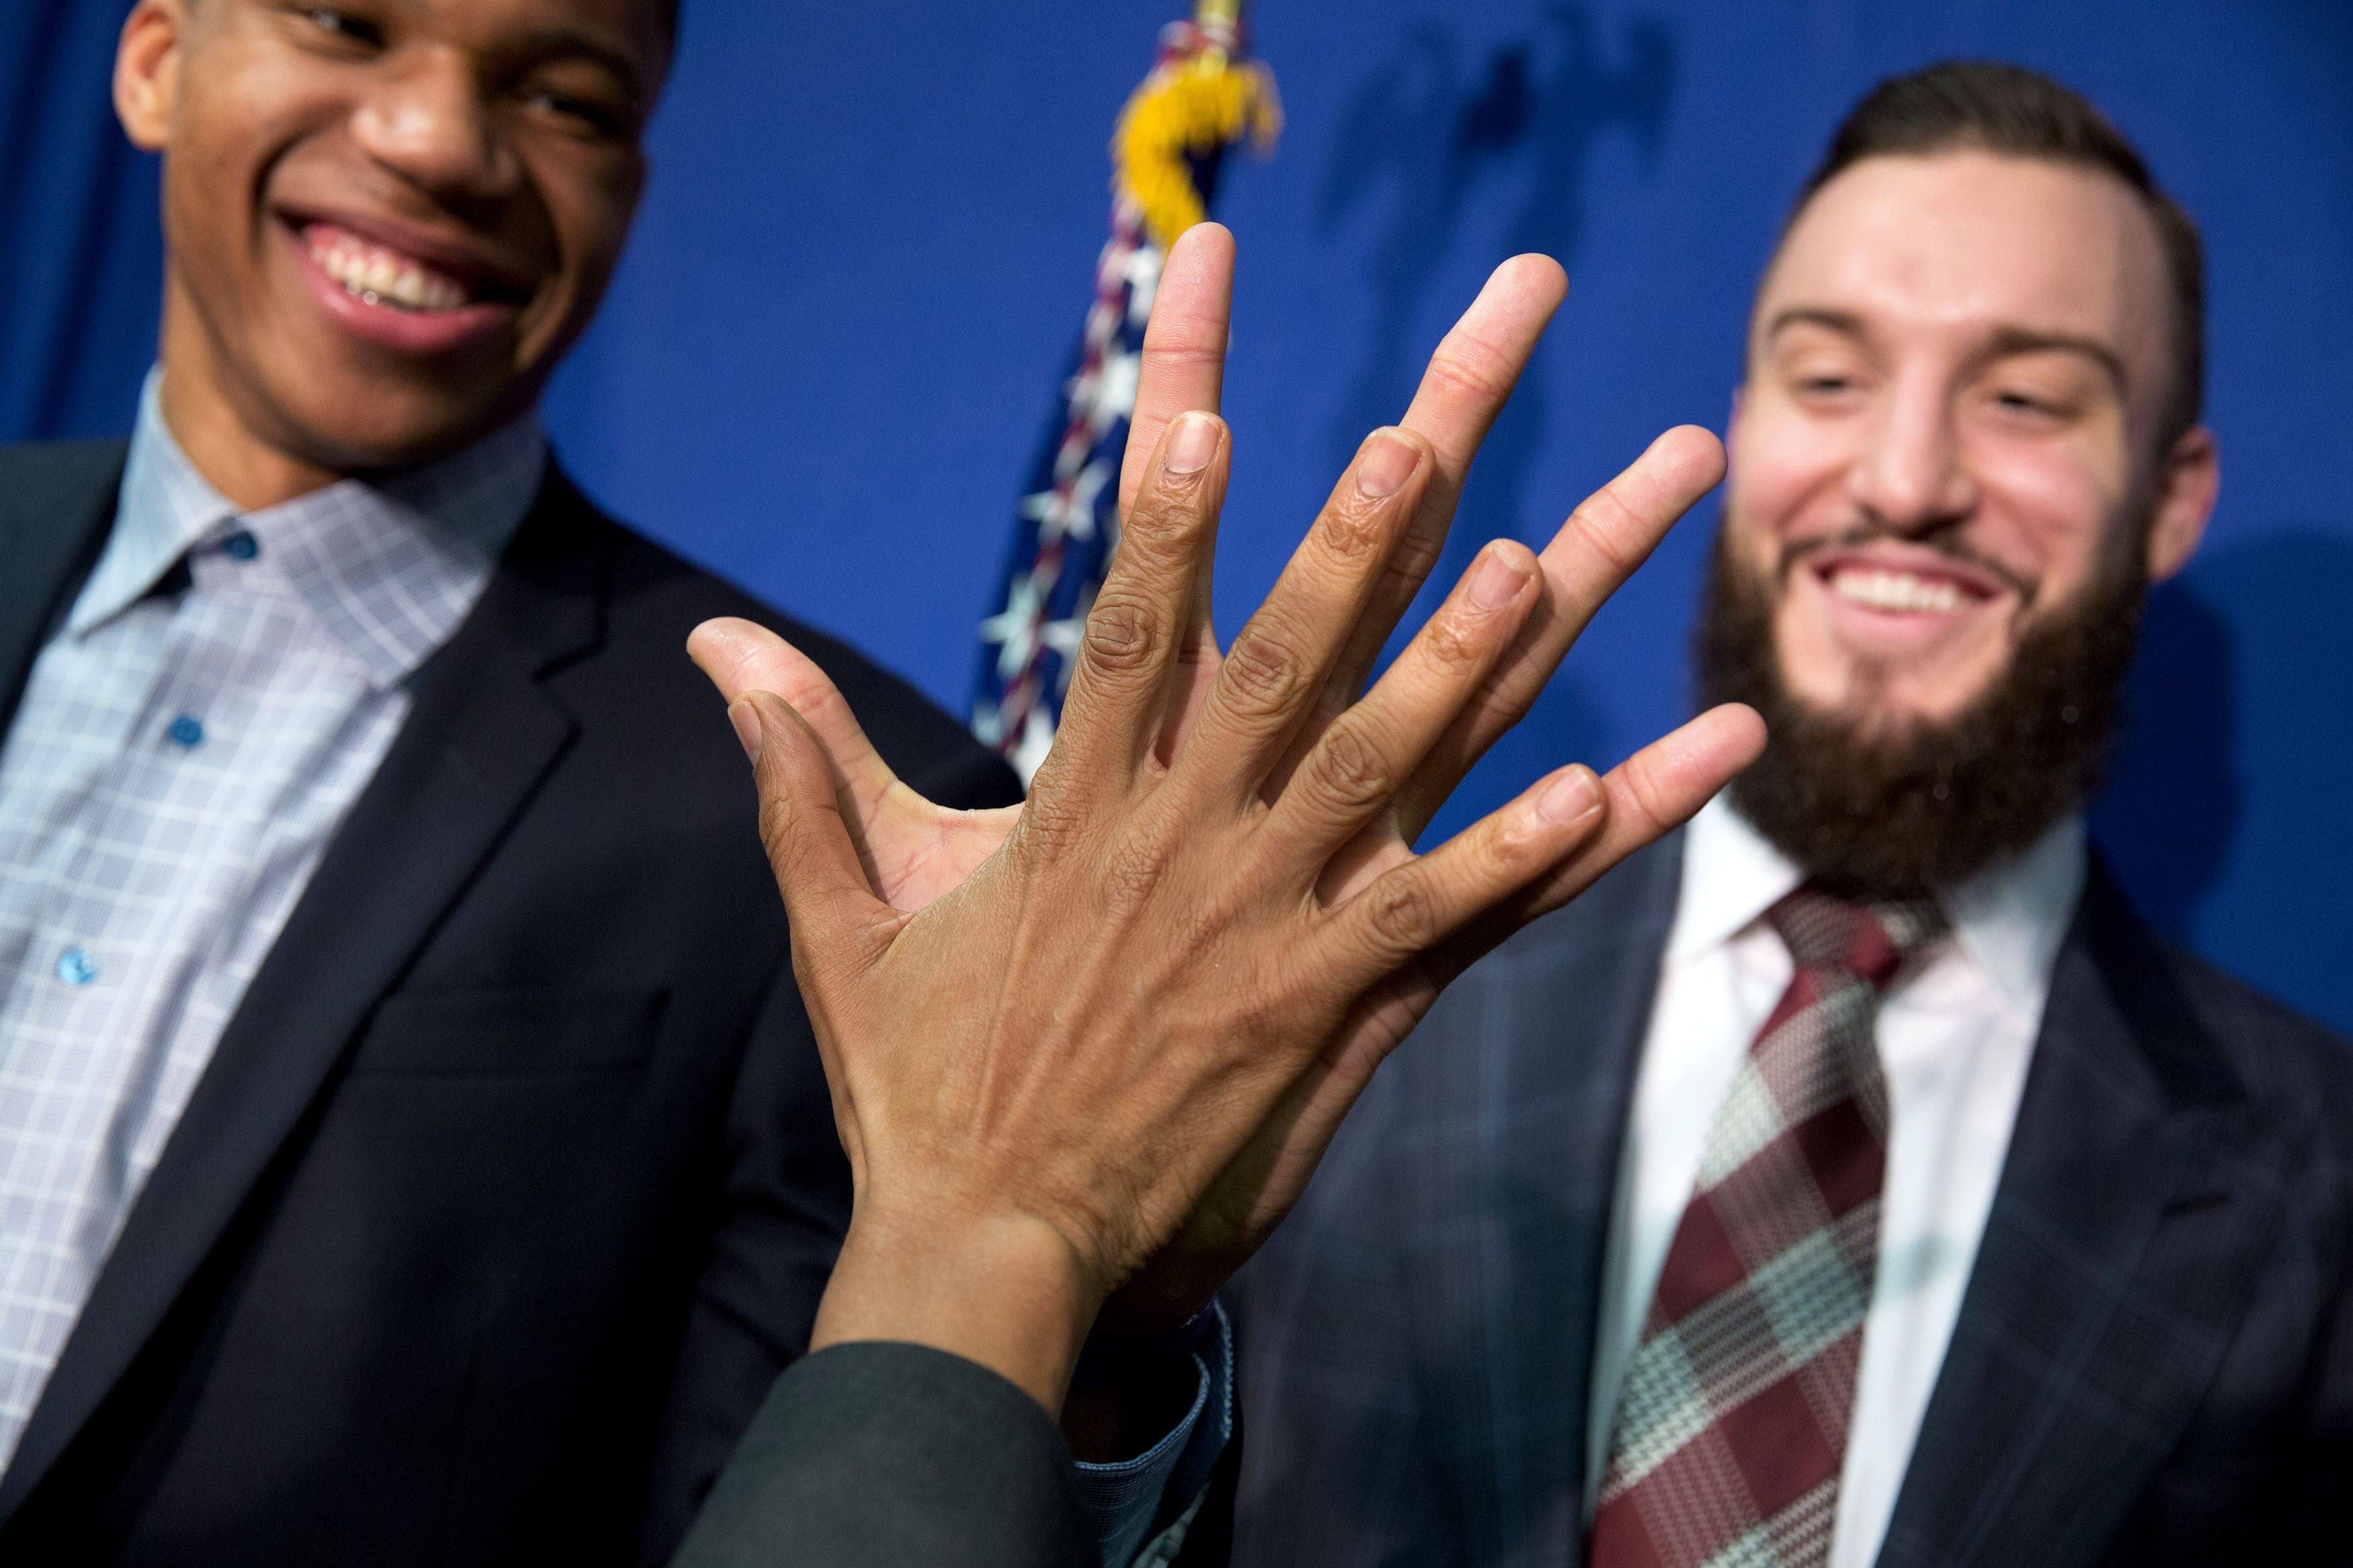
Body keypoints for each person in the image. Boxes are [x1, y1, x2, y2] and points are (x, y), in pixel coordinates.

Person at [0, 1, 1760, 1563]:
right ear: (152, 57)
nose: (442, 139)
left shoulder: (851, 805)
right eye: (345, 23)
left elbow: (841, 1460)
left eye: (564, 97)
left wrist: (1084, 1291)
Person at [1197, 60, 2353, 1568]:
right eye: (1829, 377)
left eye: (2023, 399)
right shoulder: (1359, 1009)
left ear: (2169, 500)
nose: (1903, 477)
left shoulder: (2319, 1184)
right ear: (1747, 424)